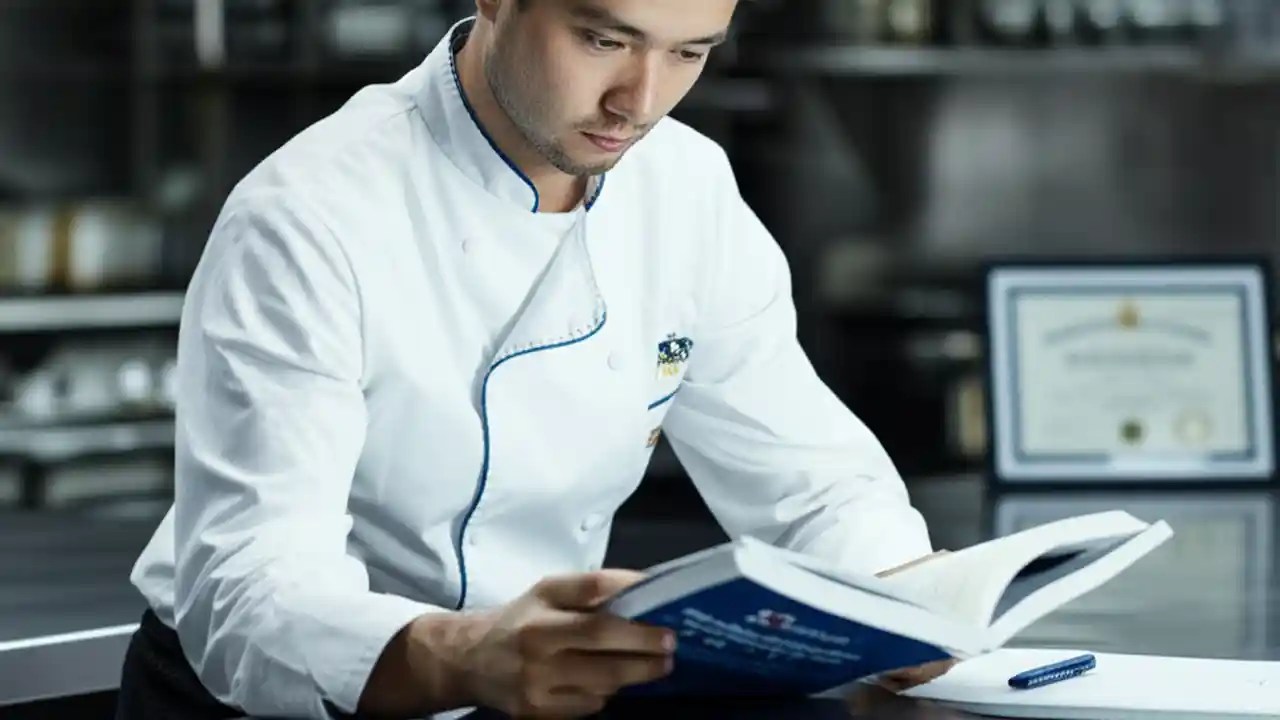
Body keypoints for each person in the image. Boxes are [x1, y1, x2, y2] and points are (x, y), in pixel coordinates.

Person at [116, 1, 954, 718]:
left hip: (522, 688)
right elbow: (252, 592)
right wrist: (463, 654)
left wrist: (904, 598)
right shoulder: (309, 214)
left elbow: (809, 479)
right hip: (288, 693)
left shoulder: (688, 187)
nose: (642, 100)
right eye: (603, 40)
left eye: (690, 52)